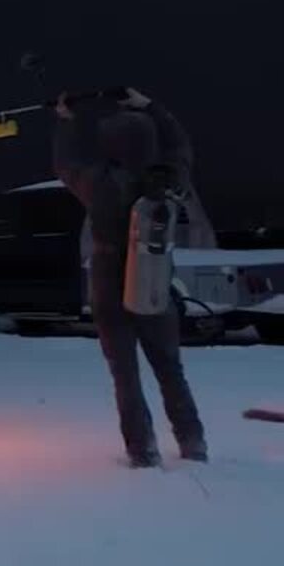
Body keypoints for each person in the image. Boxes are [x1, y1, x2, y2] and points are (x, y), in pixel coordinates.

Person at [53, 87, 208, 468]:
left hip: (110, 283)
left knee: (126, 375)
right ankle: (193, 443)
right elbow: (181, 145)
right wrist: (152, 107)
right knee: (171, 369)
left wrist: (66, 122)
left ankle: (143, 450)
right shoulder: (171, 181)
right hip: (154, 282)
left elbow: (65, 163)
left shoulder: (101, 186)